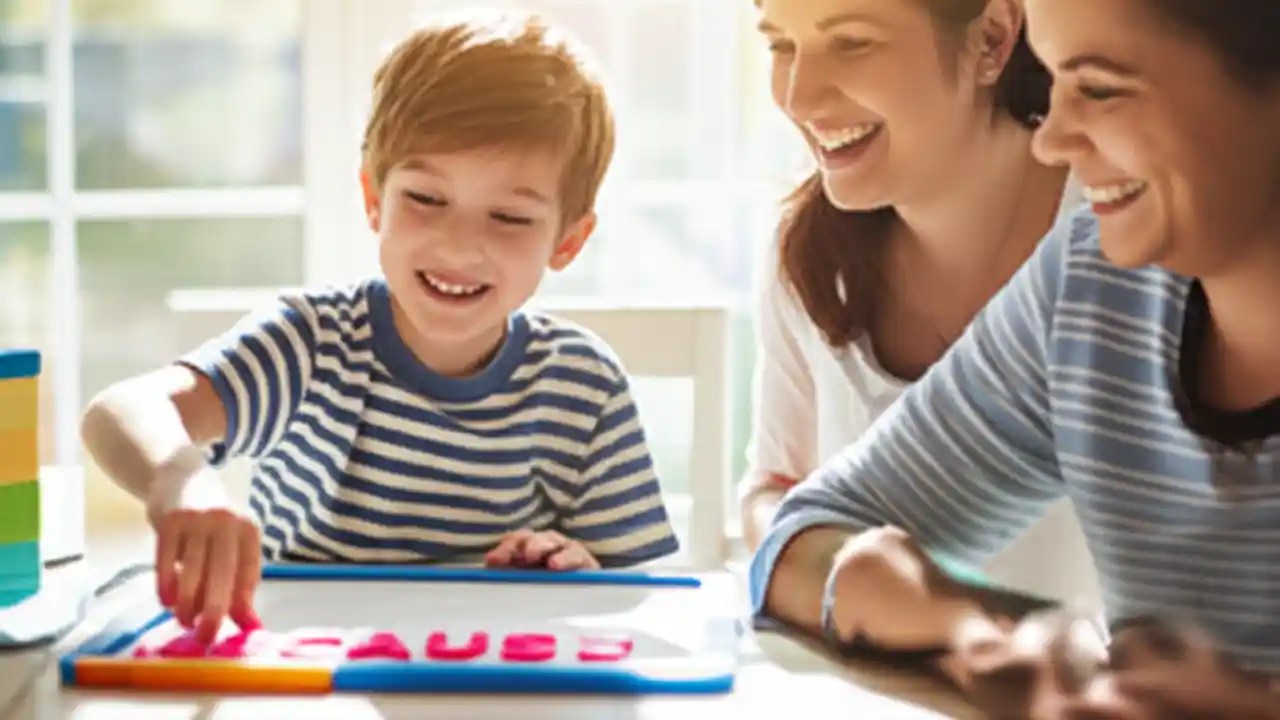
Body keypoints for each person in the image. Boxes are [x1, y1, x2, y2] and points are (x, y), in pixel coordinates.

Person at [750, 0, 1280, 716]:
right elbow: (806, 532)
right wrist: (996, 635)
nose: (1053, 140)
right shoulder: (1095, 290)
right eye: (1057, 82)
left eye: (1100, 89)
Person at [79, 13, 680, 645]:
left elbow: (634, 598)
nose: (459, 244)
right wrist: (184, 482)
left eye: (508, 216)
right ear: (374, 199)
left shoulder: (584, 388)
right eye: (426, 199)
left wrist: (578, 575)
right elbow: (117, 412)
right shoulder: (310, 345)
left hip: (495, 683)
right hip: (307, 671)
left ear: (568, 241)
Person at [740, 0, 1074, 550]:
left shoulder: (1128, 238)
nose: (799, 98)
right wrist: (823, 568)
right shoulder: (805, 257)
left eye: (852, 43)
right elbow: (776, 484)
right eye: (781, 45)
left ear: (990, 39)